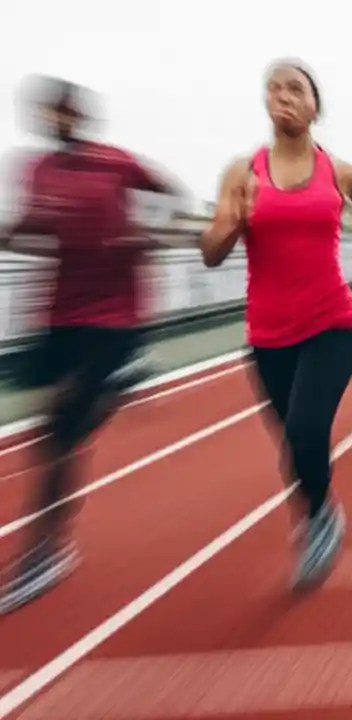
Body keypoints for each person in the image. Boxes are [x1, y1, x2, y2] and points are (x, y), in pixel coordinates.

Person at [200, 60, 352, 591]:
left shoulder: (341, 172)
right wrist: (234, 222)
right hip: (267, 336)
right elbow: (211, 253)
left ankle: (315, 526)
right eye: (274, 88)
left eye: (296, 88)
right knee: (295, 445)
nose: (283, 96)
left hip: (331, 324)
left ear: (316, 106)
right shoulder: (241, 173)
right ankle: (321, 509)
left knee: (306, 430)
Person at [0, 77, 187, 614]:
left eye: (59, 112)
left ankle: (44, 552)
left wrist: (154, 236)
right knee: (54, 431)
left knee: (58, 430)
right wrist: (13, 235)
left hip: (115, 314)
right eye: (42, 112)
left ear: (77, 116)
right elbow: (27, 227)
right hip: (59, 313)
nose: (50, 119)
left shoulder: (116, 162)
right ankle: (118, 387)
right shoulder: (36, 170)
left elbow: (170, 195)